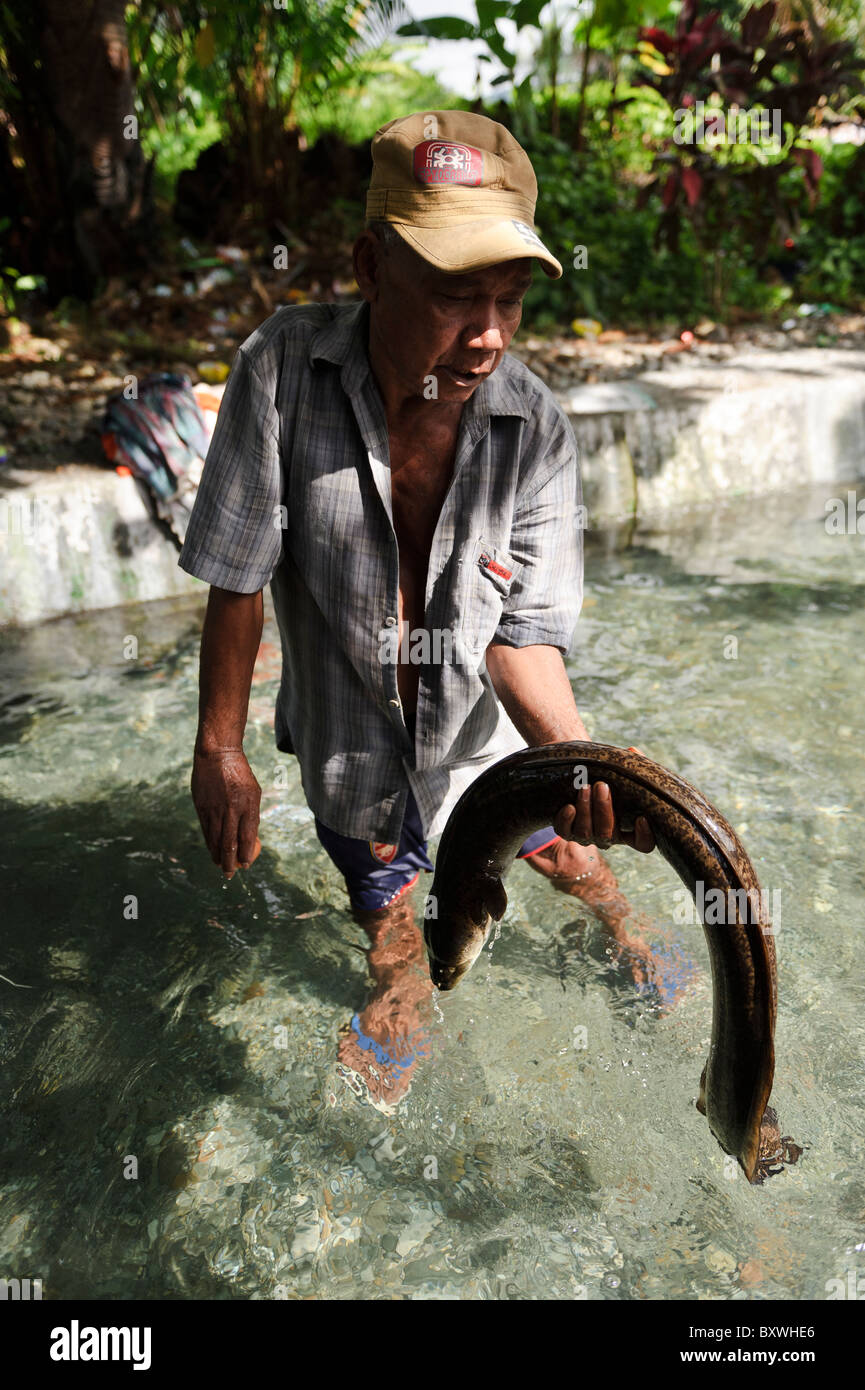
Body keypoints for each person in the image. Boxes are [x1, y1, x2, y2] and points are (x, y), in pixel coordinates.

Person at [180, 110, 660, 1108]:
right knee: (396, 933)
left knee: (581, 864)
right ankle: (400, 984)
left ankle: (630, 932)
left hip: (480, 740)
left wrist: (584, 762)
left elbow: (522, 639)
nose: (486, 335)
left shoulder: (534, 428)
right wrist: (219, 746)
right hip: (349, 745)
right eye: (452, 296)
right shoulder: (280, 370)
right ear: (370, 266)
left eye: (509, 299)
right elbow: (237, 576)